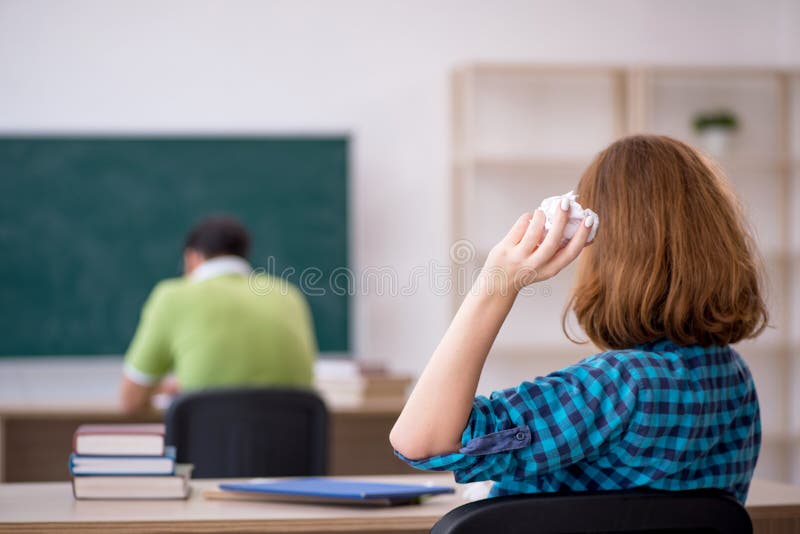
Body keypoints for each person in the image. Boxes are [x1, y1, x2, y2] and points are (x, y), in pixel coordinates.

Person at [390, 135, 767, 504]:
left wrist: (495, 286)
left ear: (609, 254)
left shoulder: (620, 387)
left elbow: (422, 441)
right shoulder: (735, 379)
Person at [119, 215, 316, 413]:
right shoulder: (288, 295)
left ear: (191, 258)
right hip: (289, 441)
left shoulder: (173, 297)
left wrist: (166, 388)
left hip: (209, 440)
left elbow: (131, 400)